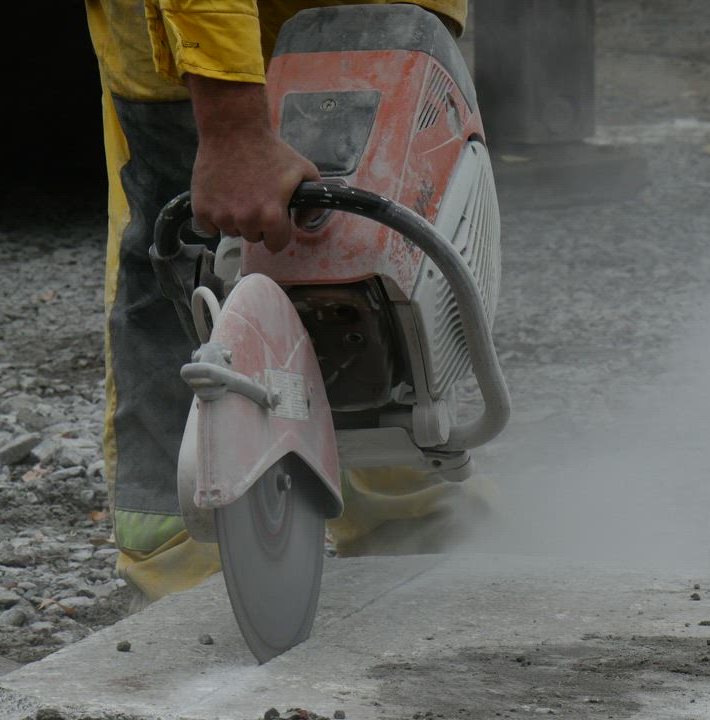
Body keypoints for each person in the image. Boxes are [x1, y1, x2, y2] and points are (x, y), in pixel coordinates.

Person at [83, 0, 478, 603]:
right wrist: (231, 123)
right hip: (203, 42)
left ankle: (414, 526)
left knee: (385, 276)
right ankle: (188, 566)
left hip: (381, 20)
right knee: (186, 277)